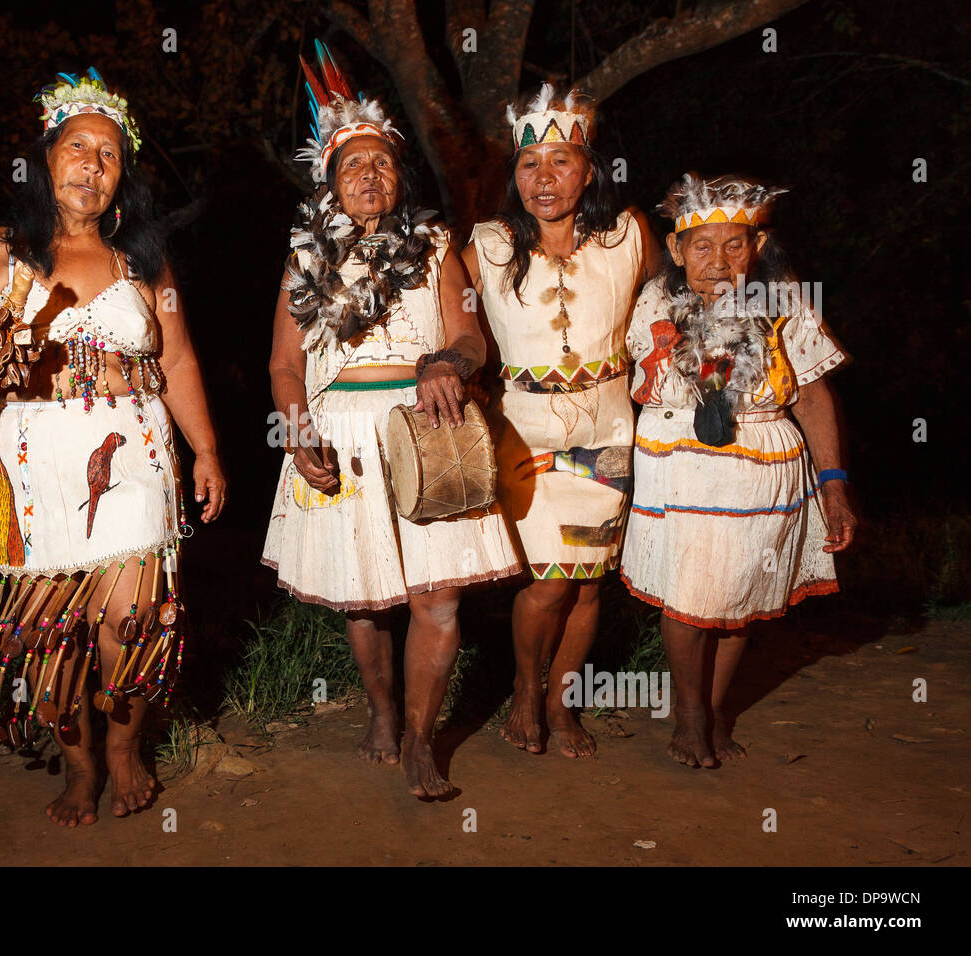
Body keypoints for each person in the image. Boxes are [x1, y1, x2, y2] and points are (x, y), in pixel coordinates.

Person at [0, 69, 226, 823]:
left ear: (122, 176)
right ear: (46, 158)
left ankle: (125, 752)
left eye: (109, 153)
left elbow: (180, 360)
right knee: (50, 634)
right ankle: (80, 763)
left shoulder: (143, 261)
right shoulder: (3, 250)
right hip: (33, 468)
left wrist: (207, 450)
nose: (92, 164)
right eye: (77, 147)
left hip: (133, 455)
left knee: (130, 622)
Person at [262, 43, 521, 798]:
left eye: (382, 164)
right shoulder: (304, 261)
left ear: (400, 177)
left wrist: (449, 361)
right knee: (364, 594)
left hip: (427, 421)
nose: (369, 177)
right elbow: (283, 365)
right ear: (329, 185)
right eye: (352, 167)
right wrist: (297, 427)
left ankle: (419, 739)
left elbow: (474, 336)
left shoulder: (438, 247)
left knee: (436, 594)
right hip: (340, 433)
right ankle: (380, 709)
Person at [621, 173, 855, 768]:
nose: (719, 261)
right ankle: (691, 714)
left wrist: (833, 484)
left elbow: (813, 395)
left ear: (758, 248)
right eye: (702, 246)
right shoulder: (653, 300)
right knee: (691, 592)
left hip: (763, 464)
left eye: (734, 245)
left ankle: (716, 707)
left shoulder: (786, 305)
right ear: (676, 250)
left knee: (741, 590)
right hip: (677, 461)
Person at [465, 85, 658, 758]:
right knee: (549, 581)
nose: (544, 179)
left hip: (608, 429)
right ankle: (525, 691)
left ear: (590, 167)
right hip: (525, 431)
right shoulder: (487, 245)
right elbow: (448, 319)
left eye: (561, 161)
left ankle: (560, 702)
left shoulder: (629, 234)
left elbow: (667, 306)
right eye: (529, 165)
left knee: (588, 581)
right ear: (512, 176)